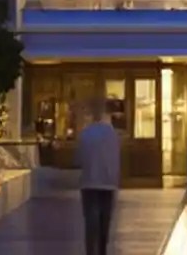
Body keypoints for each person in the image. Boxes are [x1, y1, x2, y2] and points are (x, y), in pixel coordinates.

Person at [77, 96, 121, 255]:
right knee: (105, 219)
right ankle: (102, 249)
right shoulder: (112, 134)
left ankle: (91, 250)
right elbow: (116, 158)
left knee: (90, 220)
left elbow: (79, 158)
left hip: (89, 182)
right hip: (108, 183)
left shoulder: (85, 134)